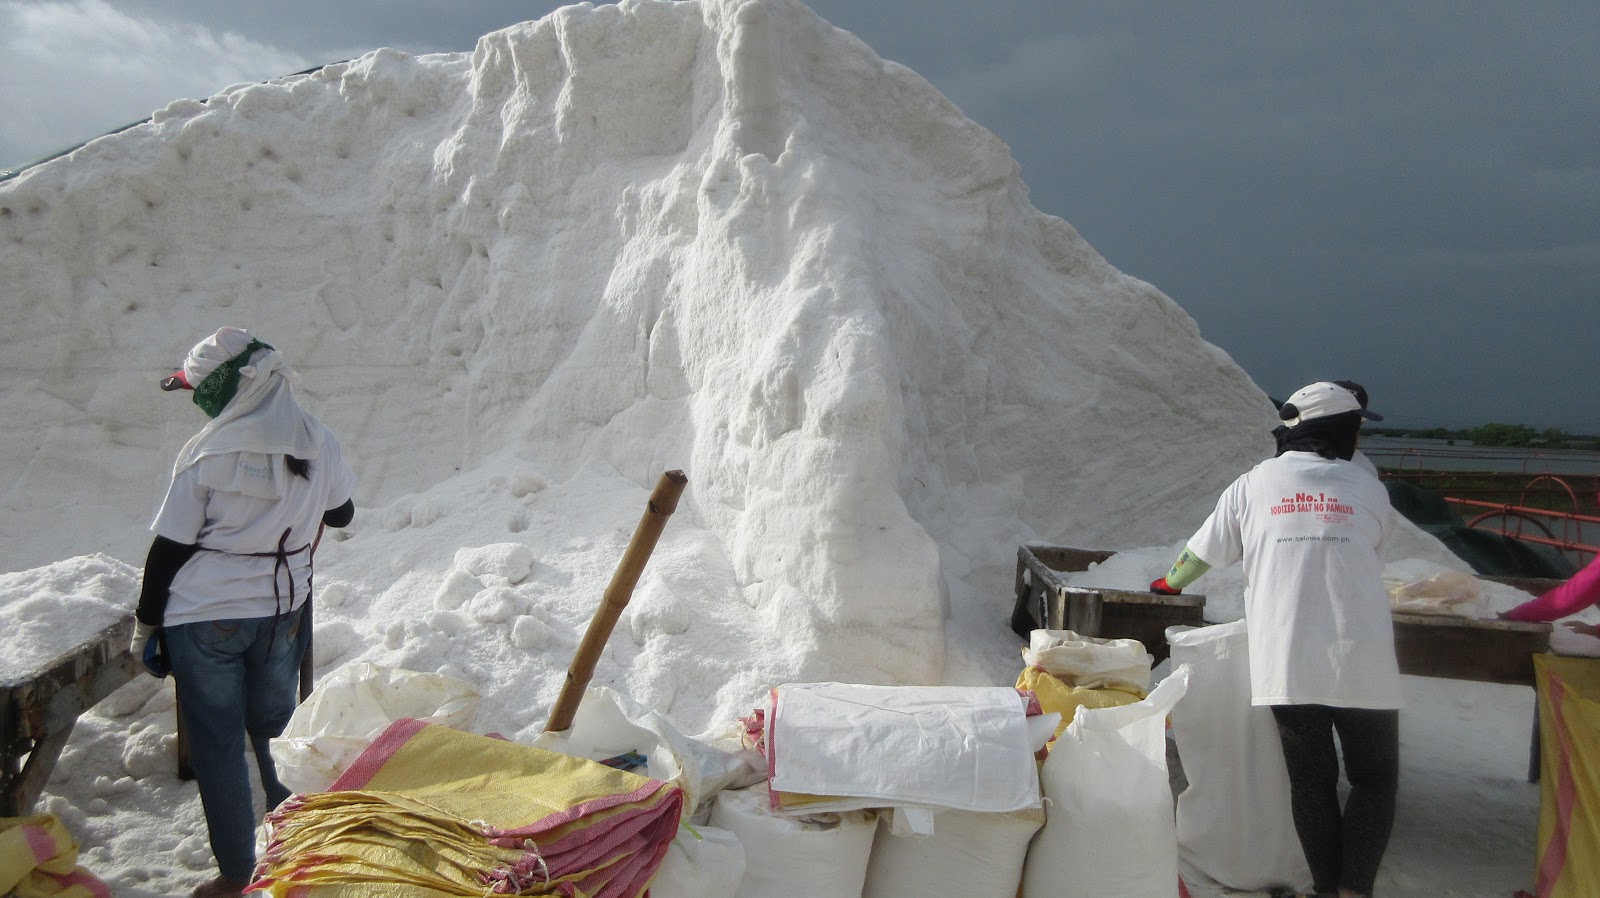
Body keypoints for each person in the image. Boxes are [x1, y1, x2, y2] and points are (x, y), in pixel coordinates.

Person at [1150, 381, 1399, 898]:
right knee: (1374, 780)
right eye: (1356, 426)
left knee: (1313, 782)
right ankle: (1354, 891)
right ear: (1339, 430)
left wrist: (1166, 584)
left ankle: (1328, 890)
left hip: (1286, 658)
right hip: (1363, 657)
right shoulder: (1369, 488)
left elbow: (1200, 555)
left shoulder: (1252, 485)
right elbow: (1367, 562)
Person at [131, 327, 356, 898]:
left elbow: (170, 550)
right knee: (278, 732)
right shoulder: (318, 441)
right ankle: (299, 862)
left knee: (218, 742)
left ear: (223, 390)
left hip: (205, 618)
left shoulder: (209, 452)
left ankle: (236, 877)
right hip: (283, 612)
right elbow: (343, 511)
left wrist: (147, 624)